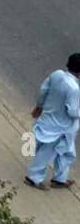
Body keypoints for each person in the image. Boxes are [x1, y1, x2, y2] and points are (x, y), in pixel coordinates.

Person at [25, 53, 80, 190]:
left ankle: (60, 179)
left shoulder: (57, 75)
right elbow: (72, 112)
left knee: (67, 152)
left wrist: (39, 106)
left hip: (48, 119)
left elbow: (44, 90)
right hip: (61, 127)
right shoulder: (74, 89)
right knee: (47, 152)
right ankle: (33, 178)